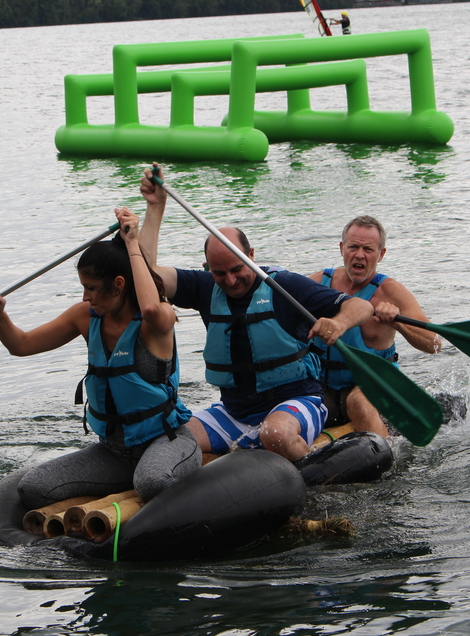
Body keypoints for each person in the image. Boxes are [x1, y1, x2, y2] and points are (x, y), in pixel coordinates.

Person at [138, 166, 375, 462]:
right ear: (207, 266)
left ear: (251, 256)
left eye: (237, 269)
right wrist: (155, 207)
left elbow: (362, 306)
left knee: (274, 434)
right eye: (220, 273)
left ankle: (311, 480)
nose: (231, 280)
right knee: (171, 442)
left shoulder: (283, 285)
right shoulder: (203, 286)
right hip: (233, 412)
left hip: (297, 403)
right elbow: (144, 275)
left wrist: (338, 322)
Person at [0, 206, 200, 509]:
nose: (85, 297)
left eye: (91, 288)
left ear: (118, 285)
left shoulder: (156, 322)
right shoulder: (85, 317)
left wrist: (132, 242)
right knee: (34, 487)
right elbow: (22, 345)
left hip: (167, 442)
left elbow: (149, 307)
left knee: (152, 481)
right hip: (115, 452)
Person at [308, 215, 441, 437]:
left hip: (372, 383)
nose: (359, 255)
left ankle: (388, 456)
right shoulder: (316, 284)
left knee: (358, 402)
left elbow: (434, 344)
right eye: (353, 247)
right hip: (323, 386)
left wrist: (398, 323)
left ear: (381, 254)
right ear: (342, 249)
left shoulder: (390, 292)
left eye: (368, 249)